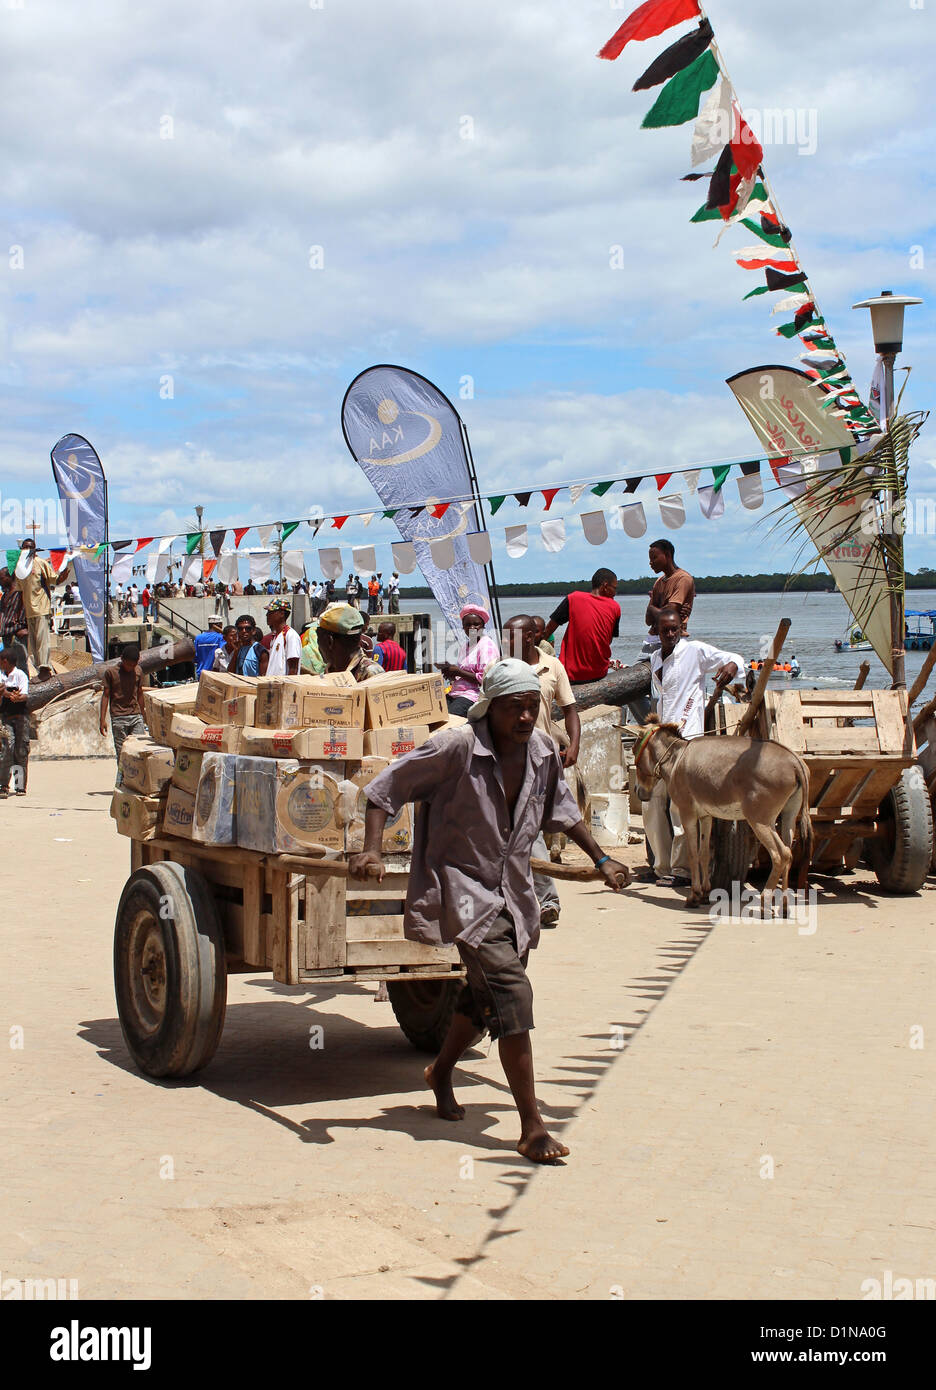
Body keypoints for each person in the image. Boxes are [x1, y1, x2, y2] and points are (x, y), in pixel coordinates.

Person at [349, 658, 629, 1163]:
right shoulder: (455, 747)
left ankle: (439, 1071)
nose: (525, 719)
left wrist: (604, 858)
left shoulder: (542, 750)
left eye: (531, 708)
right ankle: (532, 1127)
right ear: (489, 709)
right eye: (514, 709)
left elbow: (562, 813)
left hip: (515, 893)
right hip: (463, 891)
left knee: (483, 1001)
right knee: (512, 994)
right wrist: (371, 848)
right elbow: (384, 790)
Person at [642, 606, 744, 889]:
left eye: (675, 629)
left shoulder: (695, 651)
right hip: (662, 744)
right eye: (665, 630)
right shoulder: (654, 658)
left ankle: (682, 869)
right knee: (652, 803)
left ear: (681, 627)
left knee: (680, 807)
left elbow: (734, 658)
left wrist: (730, 669)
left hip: (688, 742)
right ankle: (660, 866)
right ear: (657, 632)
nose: (671, 634)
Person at [503, 615, 581, 929]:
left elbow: (570, 710)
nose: (507, 642)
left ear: (533, 636)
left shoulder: (553, 668)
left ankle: (546, 900)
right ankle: (533, 900)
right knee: (520, 831)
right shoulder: (502, 670)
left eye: (514, 636)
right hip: (508, 760)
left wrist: (573, 745)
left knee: (530, 829)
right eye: (505, 636)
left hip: (541, 760)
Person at [544, 568, 620, 686]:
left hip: (571, 675)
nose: (615, 593)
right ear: (605, 586)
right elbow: (607, 640)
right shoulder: (615, 607)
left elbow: (549, 629)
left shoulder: (573, 598)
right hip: (599, 672)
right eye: (614, 588)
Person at [437, 604, 500, 716]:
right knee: (435, 710)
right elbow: (464, 671)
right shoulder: (466, 646)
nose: (472, 628)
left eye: (476, 624)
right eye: (468, 625)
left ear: (483, 626)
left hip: (474, 695)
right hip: (457, 692)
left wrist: (458, 671)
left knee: (452, 718)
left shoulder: (486, 646)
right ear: (463, 627)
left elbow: (486, 680)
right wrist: (450, 672)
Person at [101, 643, 146, 785]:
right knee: (122, 754)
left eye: (133, 665)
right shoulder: (111, 673)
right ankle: (122, 783)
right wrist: (102, 719)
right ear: (122, 660)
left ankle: (138, 782)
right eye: (128, 665)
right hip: (119, 718)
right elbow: (106, 696)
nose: (130, 668)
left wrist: (143, 715)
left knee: (139, 750)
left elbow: (140, 693)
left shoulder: (138, 672)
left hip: (135, 715)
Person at [644, 540, 695, 656]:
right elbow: (648, 620)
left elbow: (668, 614)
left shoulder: (683, 578)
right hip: (653, 638)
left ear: (667, 555)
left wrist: (652, 609)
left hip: (671, 638)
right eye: (650, 559)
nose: (651, 563)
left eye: (654, 558)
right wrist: (658, 611)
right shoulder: (659, 582)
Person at [14, 539, 56, 677]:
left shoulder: (41, 563)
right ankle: (39, 669)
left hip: (42, 607)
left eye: (30, 547)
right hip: (29, 611)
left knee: (42, 641)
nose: (27, 549)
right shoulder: (20, 569)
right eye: (25, 547)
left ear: (34, 549)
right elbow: (20, 592)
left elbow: (53, 579)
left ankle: (45, 668)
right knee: (33, 643)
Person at [316, 604, 383, 681]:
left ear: (329, 641)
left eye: (318, 638)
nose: (318, 645)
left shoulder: (371, 676)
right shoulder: (329, 671)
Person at [0, 646, 29, 796]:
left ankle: (20, 785)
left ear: (5, 661)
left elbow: (24, 695)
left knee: (20, 751)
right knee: (6, 750)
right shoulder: (1, 675)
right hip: (5, 718)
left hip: (20, 719)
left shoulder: (20, 675)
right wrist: (7, 694)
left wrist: (14, 696)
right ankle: (3, 785)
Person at [262, 597, 301, 677]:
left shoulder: (290, 635)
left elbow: (293, 668)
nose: (267, 615)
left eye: (270, 612)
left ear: (281, 614)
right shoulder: (275, 637)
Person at [0, 568, 28, 652]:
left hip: (18, 635)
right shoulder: (5, 595)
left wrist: (27, 629)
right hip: (6, 634)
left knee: (20, 663)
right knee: (9, 663)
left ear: (9, 578)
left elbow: (30, 611)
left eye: (1, 578)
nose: (0, 582)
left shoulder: (21, 593)